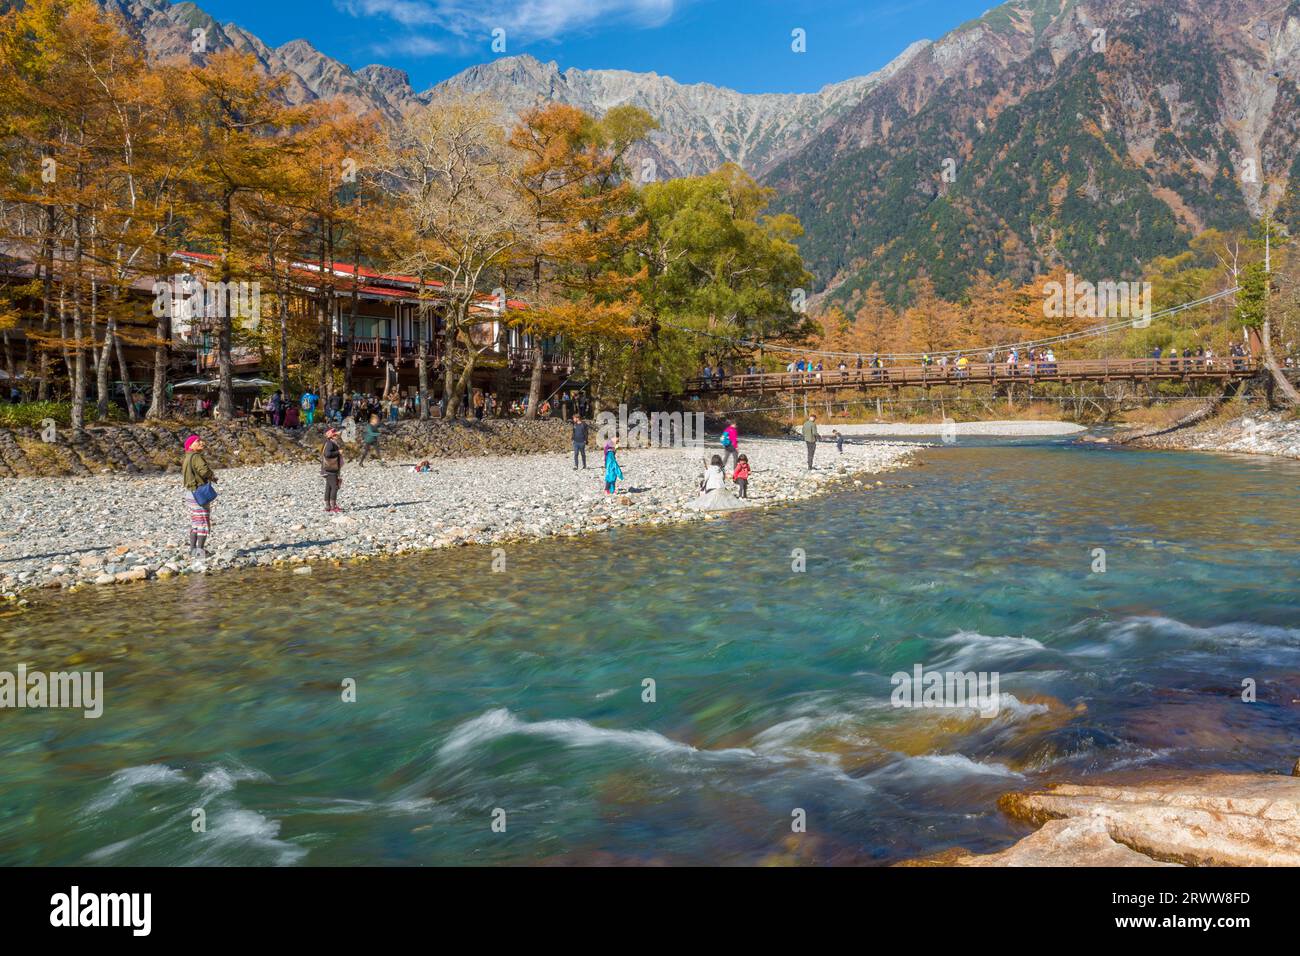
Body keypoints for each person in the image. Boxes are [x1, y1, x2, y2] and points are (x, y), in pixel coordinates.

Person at [181, 434, 216, 561]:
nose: (202, 443)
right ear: (191, 445)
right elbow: (204, 470)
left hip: (189, 493)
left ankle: (192, 550)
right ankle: (200, 552)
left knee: (195, 522)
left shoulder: (187, 457)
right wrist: (212, 476)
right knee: (202, 523)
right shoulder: (196, 457)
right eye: (198, 441)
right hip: (198, 493)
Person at [321, 426, 344, 513]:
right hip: (331, 469)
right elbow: (328, 454)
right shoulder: (330, 443)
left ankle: (328, 506)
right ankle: (333, 506)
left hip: (327, 469)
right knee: (335, 487)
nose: (337, 436)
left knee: (329, 487)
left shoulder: (328, 442)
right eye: (336, 435)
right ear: (332, 436)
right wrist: (338, 452)